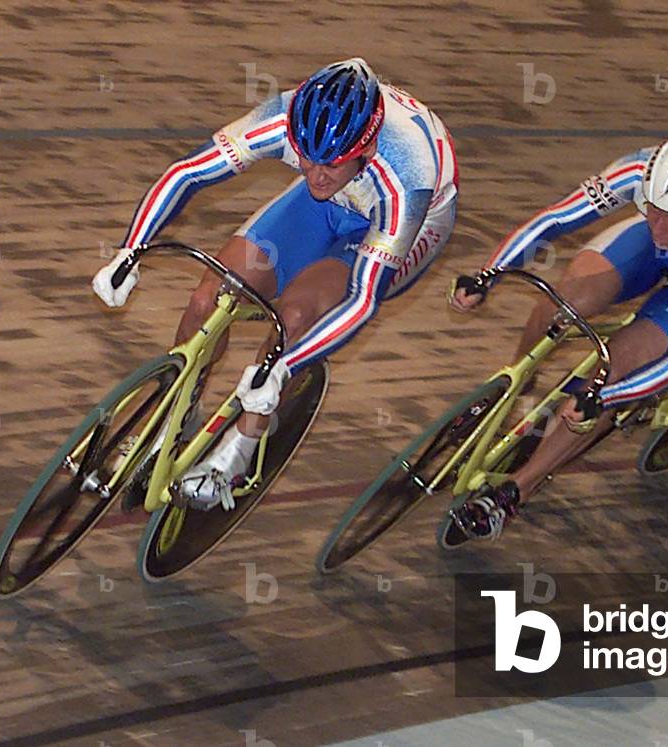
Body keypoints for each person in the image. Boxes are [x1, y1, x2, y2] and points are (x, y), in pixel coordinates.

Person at [92, 58, 458, 510]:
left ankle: (240, 449)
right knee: (211, 297)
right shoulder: (285, 122)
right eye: (306, 158)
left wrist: (281, 369)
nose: (316, 173)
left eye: (332, 164)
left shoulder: (407, 180)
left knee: (297, 316)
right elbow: (186, 173)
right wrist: (130, 251)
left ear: (367, 150)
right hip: (327, 205)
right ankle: (175, 418)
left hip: (400, 224)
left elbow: (363, 300)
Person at [448, 130, 668, 541]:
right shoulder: (641, 172)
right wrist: (489, 273)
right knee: (562, 305)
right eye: (654, 208)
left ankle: (518, 489)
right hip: (666, 247)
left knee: (616, 369)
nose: (660, 223)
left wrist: (602, 399)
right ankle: (513, 394)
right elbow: (555, 218)